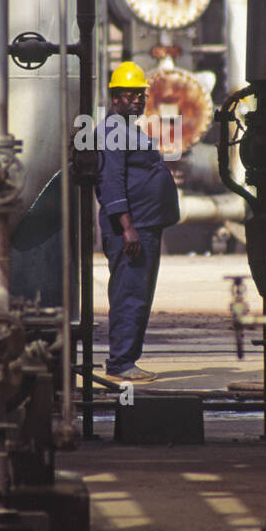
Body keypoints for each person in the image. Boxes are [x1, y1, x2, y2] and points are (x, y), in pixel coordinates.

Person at [94, 61, 180, 383]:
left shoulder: (129, 128)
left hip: (144, 224)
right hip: (132, 228)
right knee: (130, 294)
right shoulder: (113, 131)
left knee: (138, 293)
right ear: (114, 98)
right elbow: (111, 183)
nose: (136, 100)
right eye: (129, 95)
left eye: (140, 95)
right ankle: (121, 363)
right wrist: (128, 227)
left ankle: (126, 358)